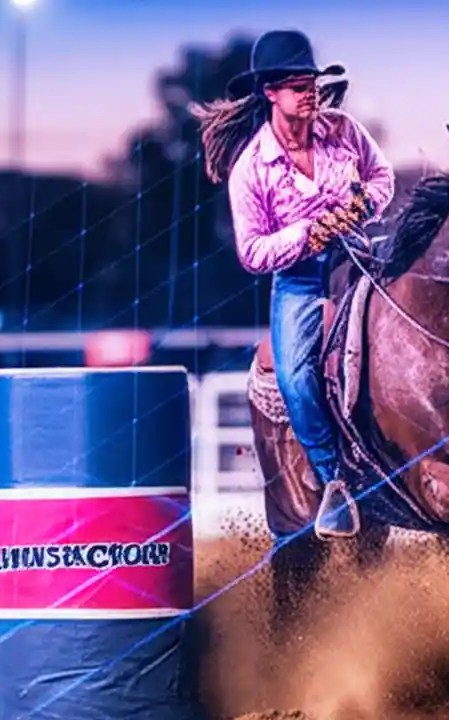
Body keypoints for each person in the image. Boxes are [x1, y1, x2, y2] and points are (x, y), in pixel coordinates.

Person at [193, 29, 395, 540]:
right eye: (296, 85)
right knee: (295, 375)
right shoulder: (250, 171)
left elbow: (382, 178)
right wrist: (308, 233)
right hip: (301, 278)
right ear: (270, 93)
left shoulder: (344, 130)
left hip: (362, 256)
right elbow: (253, 252)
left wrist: (361, 206)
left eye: (311, 82)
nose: (309, 92)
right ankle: (335, 483)